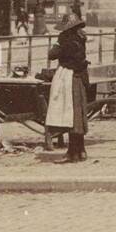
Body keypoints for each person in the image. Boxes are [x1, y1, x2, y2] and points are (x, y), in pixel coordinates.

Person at [46, 12, 91, 163]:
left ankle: (72, 152)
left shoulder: (65, 40)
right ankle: (81, 151)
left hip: (69, 78)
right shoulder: (81, 38)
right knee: (78, 115)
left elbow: (51, 55)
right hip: (80, 77)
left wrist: (57, 44)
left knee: (69, 114)